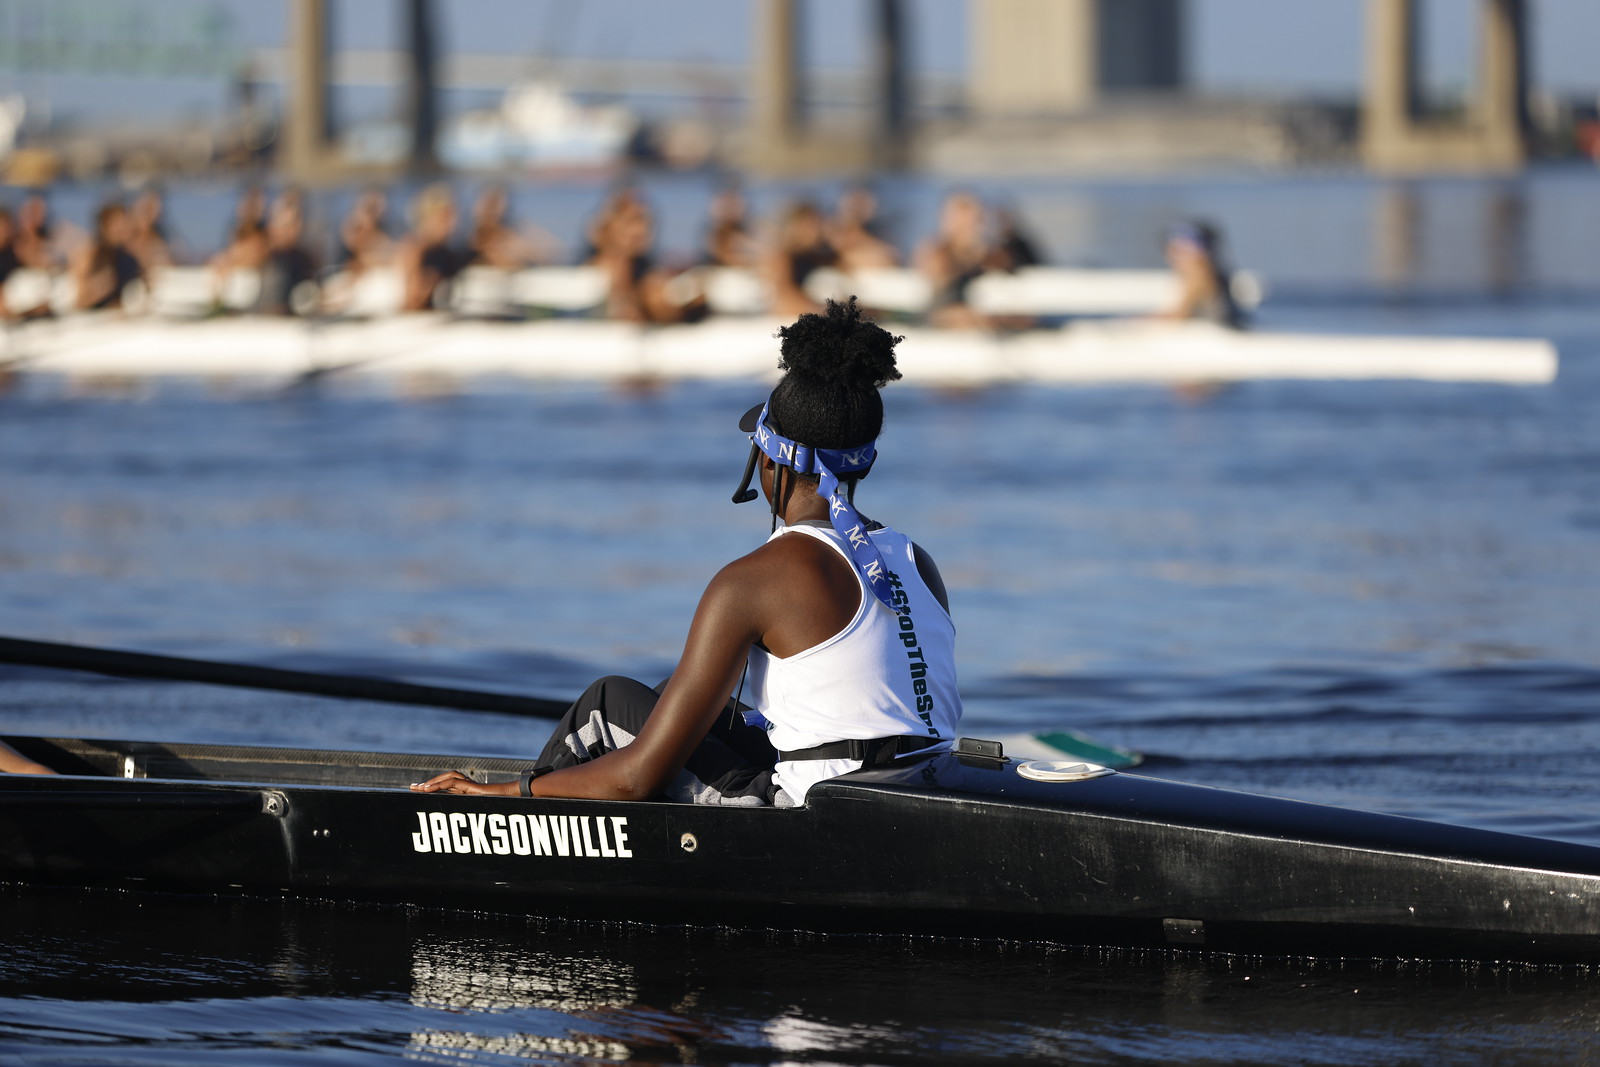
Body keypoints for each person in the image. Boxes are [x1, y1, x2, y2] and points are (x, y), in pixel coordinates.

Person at [413, 298, 961, 807]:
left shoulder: (753, 581)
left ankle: (515, 841)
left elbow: (637, 779)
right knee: (677, 698)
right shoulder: (918, 561)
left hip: (813, 820)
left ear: (770, 462)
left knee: (607, 706)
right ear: (861, 464)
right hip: (915, 793)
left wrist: (509, 791)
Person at [1160, 220, 1244, 329]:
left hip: (1220, 337)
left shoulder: (1201, 277)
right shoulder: (1212, 275)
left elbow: (1181, 314)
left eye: (1179, 250)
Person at [398, 184, 468, 312]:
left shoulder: (447, 253)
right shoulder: (413, 250)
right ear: (427, 218)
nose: (453, 224)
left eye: (454, 217)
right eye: (445, 218)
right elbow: (411, 303)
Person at [71, 201, 144, 311]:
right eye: (116, 224)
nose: (121, 229)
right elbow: (78, 303)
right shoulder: (90, 257)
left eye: (124, 223)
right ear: (104, 227)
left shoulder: (129, 259)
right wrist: (97, 288)